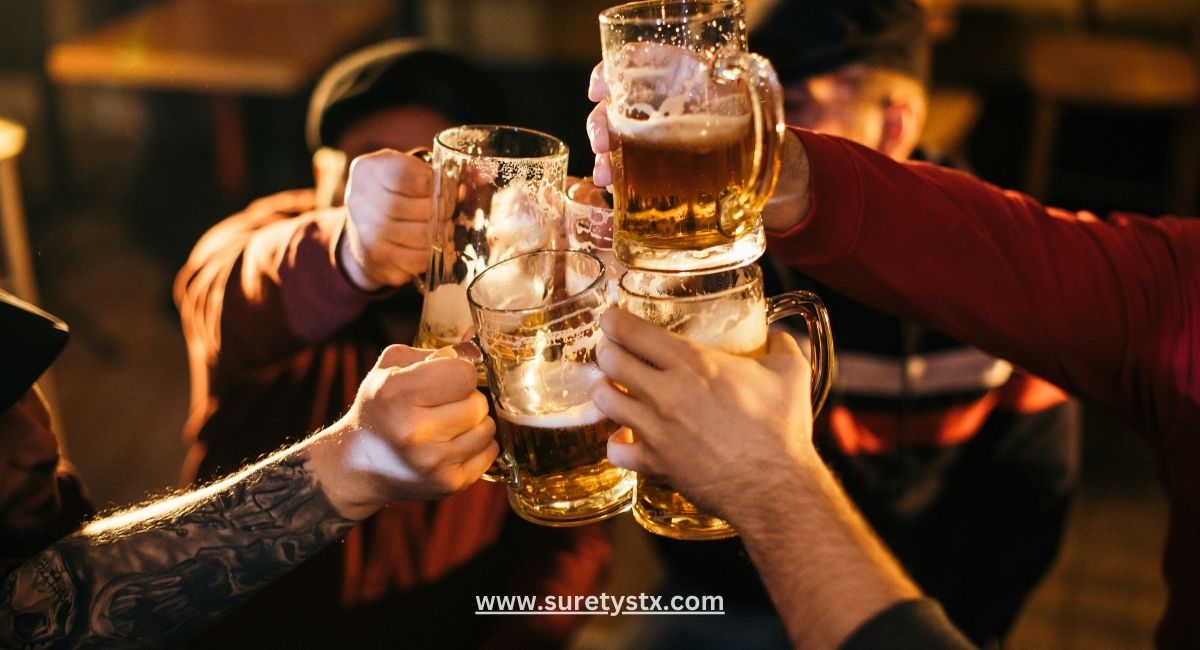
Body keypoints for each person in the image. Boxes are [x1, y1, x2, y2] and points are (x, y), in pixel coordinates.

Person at [586, 66, 1200, 647]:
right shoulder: (1179, 281)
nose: (784, 106)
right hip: (732, 596)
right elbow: (985, 251)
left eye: (802, 101)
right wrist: (768, 165)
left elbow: (1027, 505)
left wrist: (769, 486)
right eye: (781, 99)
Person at [175, 40, 610, 648]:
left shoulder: (523, 300)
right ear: (327, 174)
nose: (418, 205)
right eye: (383, 170)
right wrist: (349, 249)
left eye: (440, 177)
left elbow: (571, 535)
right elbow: (233, 296)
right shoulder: (263, 237)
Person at [751, 1, 1079, 644]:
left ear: (894, 123)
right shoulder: (738, 255)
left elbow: (1028, 502)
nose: (764, 134)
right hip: (754, 601)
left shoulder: (1007, 268)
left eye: (795, 104)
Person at [0, 289, 495, 647]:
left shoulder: (43, 495)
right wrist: (357, 459)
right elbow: (37, 615)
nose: (41, 444)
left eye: (26, 394)